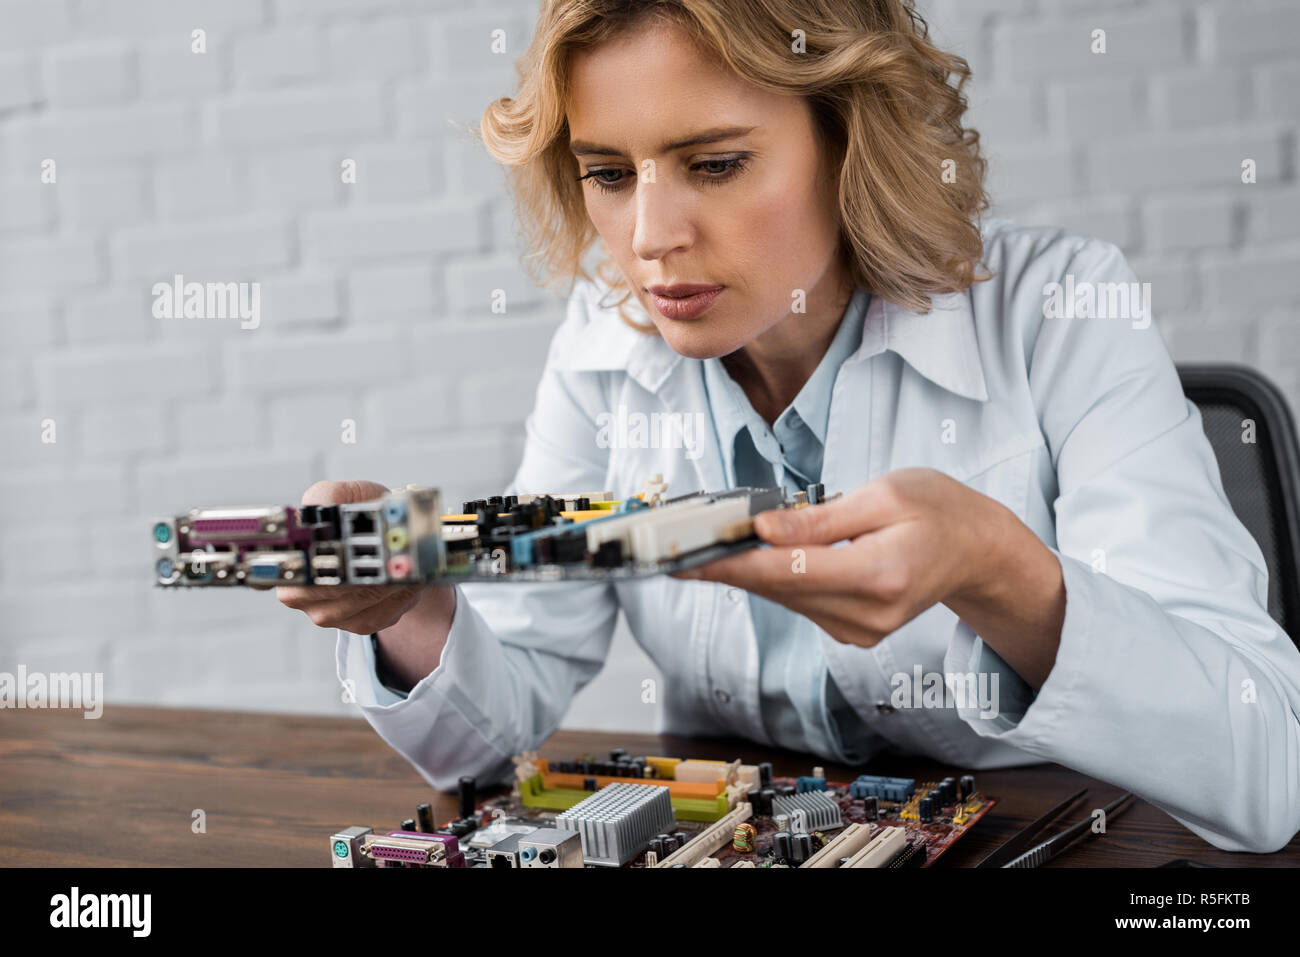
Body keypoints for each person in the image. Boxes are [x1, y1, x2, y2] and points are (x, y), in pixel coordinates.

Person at [274, 0, 1300, 853]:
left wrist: (999, 572)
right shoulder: (604, 341)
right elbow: (489, 740)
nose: (649, 239)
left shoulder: (1061, 310)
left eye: (713, 164)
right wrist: (406, 608)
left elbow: (1266, 771)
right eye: (609, 173)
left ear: (848, 141)